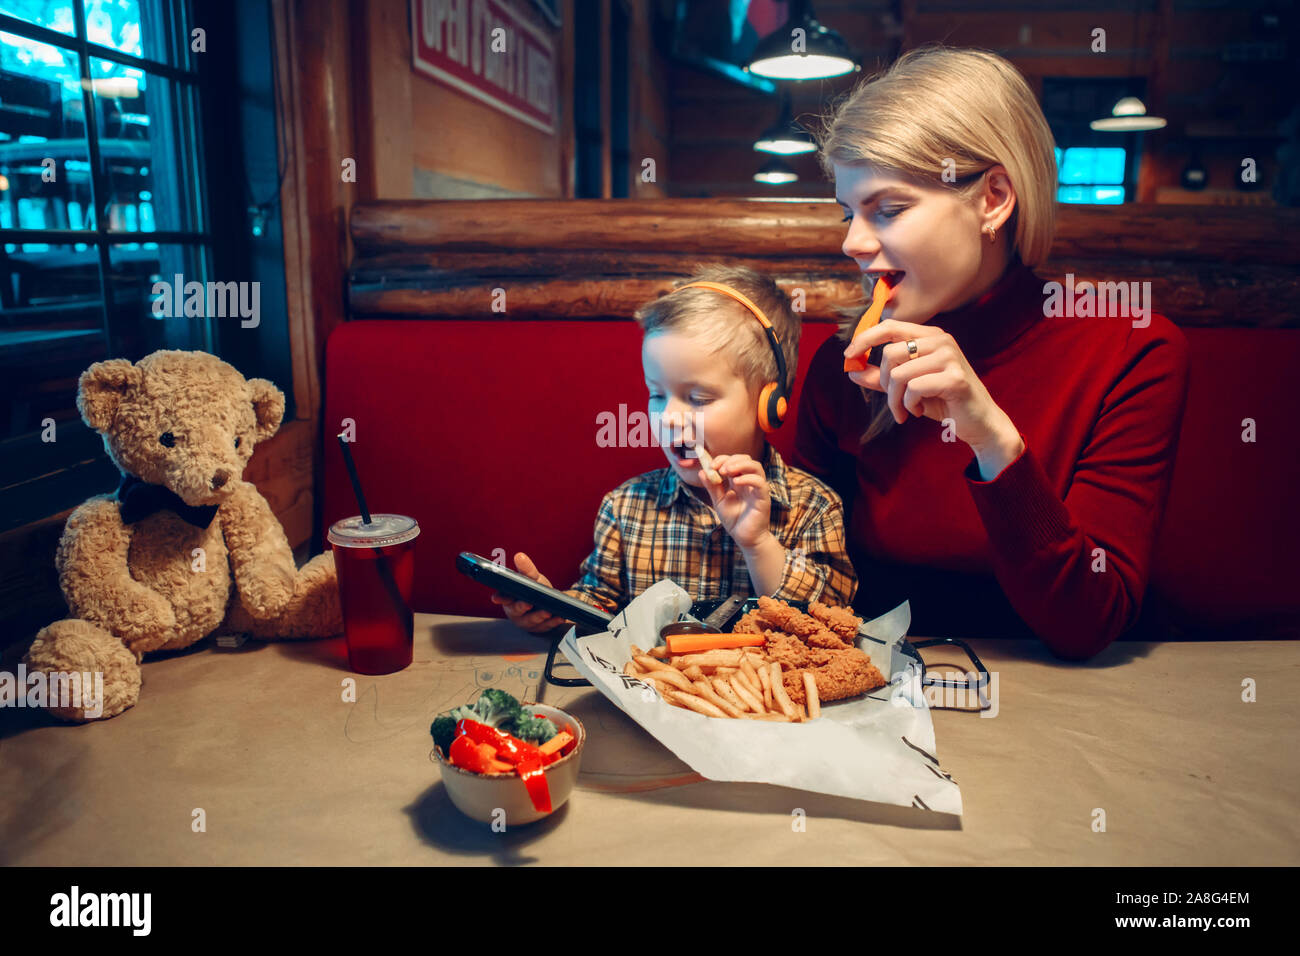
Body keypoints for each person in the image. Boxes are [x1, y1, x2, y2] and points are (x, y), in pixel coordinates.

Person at [796, 45, 1189, 660]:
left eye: (888, 209)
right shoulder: (843, 369)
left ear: (994, 199)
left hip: (1073, 717)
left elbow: (1089, 621)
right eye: (849, 212)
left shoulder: (1134, 353)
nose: (852, 241)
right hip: (874, 710)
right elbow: (812, 593)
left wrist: (992, 442)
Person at [493, 266, 858, 632]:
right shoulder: (624, 508)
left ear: (770, 404)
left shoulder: (814, 508)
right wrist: (551, 608)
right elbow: (599, 608)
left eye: (697, 397)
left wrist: (758, 543)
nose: (668, 417)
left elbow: (828, 625)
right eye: (657, 394)